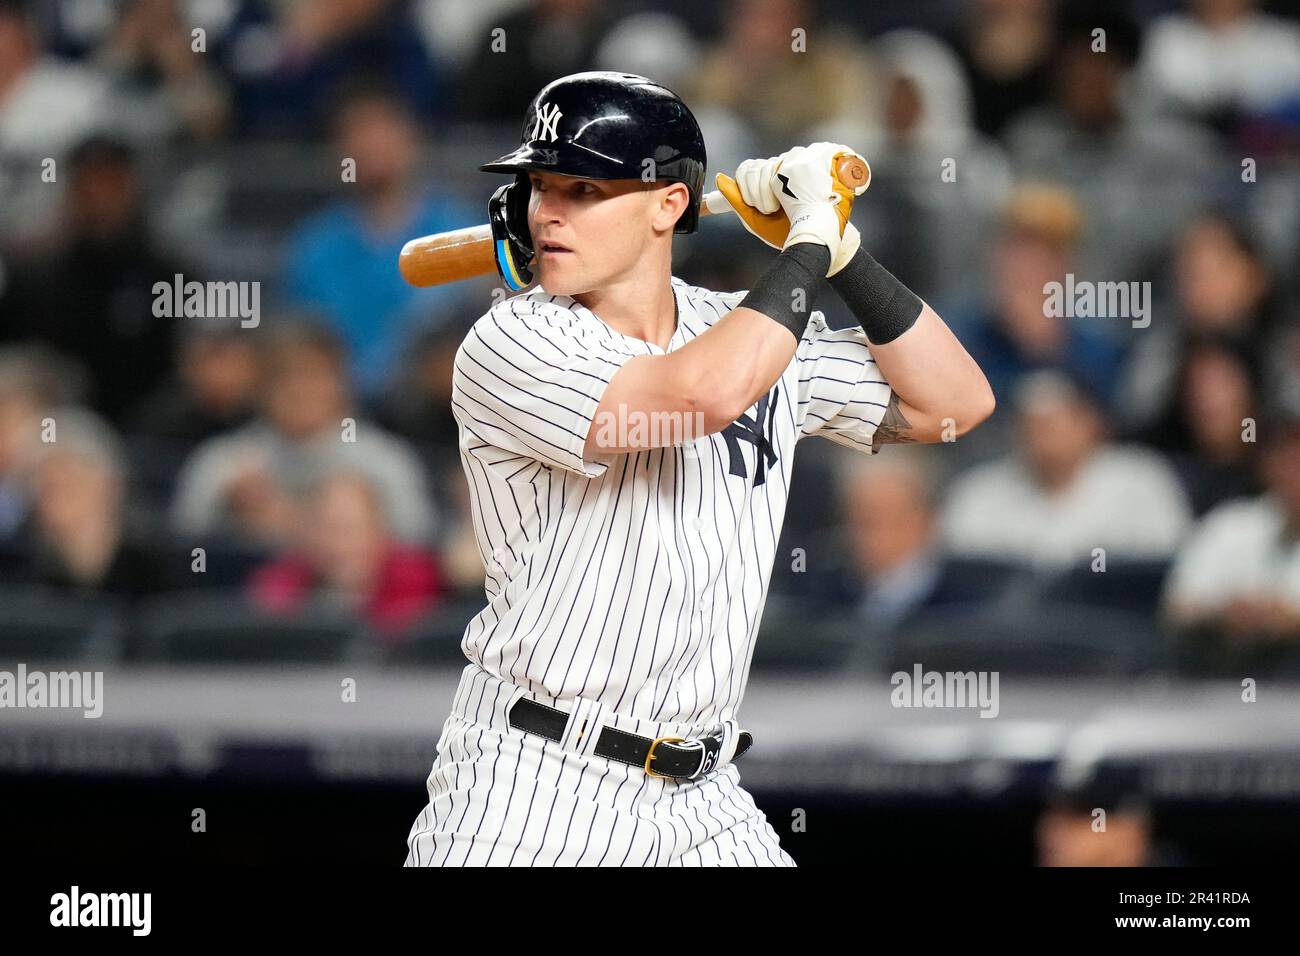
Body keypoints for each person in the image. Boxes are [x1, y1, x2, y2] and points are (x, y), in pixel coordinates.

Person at [403, 71, 994, 867]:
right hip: (533, 784)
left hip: (703, 796)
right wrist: (808, 237)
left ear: (668, 205)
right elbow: (700, 395)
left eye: (584, 187)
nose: (548, 211)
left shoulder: (741, 331)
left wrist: (844, 252)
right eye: (541, 186)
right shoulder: (513, 340)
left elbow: (955, 403)